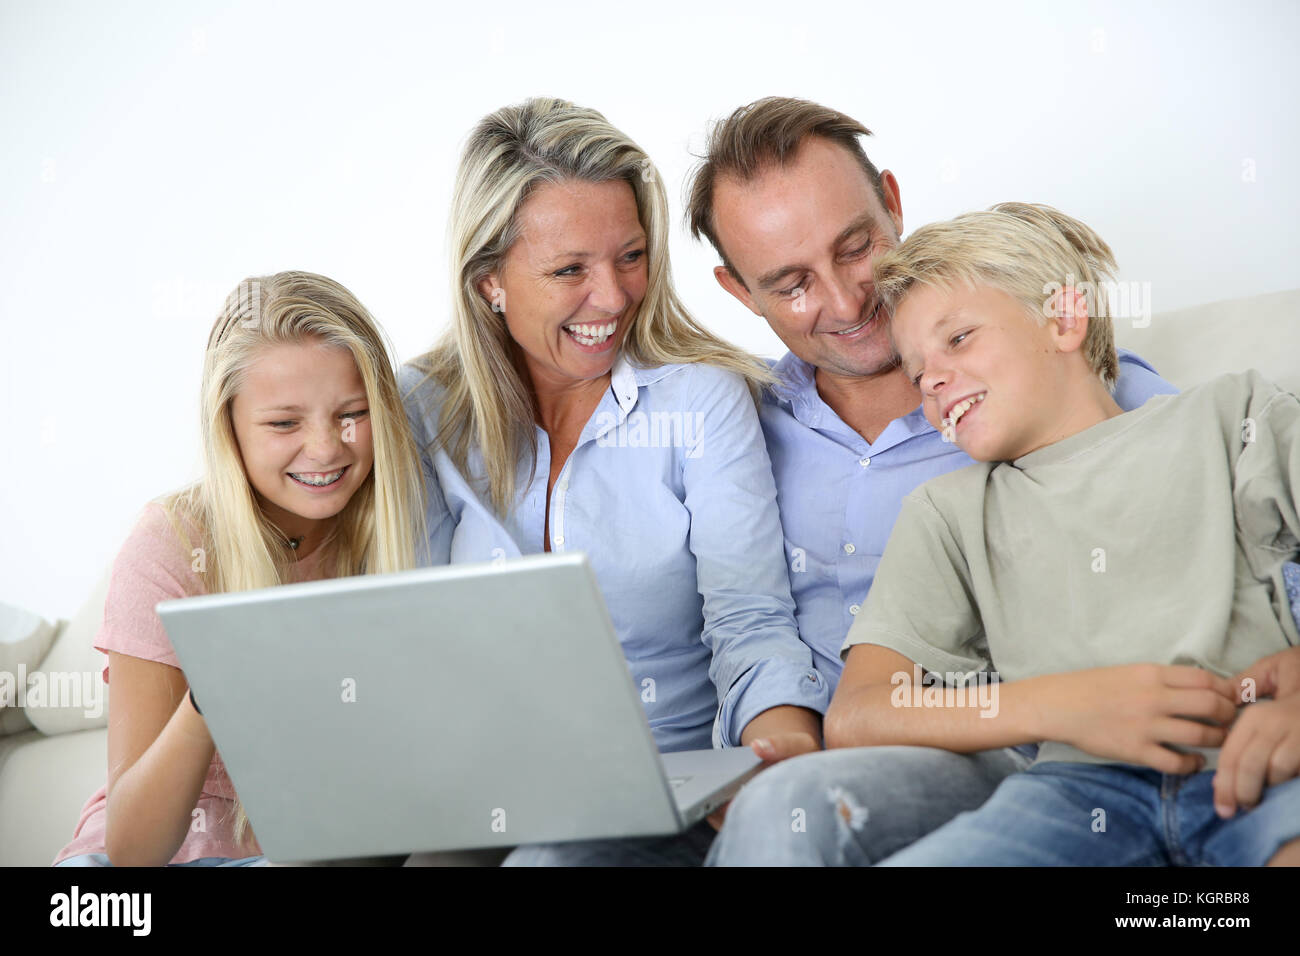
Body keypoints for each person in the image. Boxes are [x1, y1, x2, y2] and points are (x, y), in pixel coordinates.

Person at [686, 97, 1179, 866]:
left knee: (800, 806)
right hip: (822, 753)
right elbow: (743, 618)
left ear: (892, 201)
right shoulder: (730, 430)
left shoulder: (1036, 383)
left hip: (1019, 754)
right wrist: (774, 734)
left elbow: (1239, 535)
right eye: (791, 285)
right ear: (737, 290)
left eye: (856, 248)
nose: (849, 302)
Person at [400, 97, 830, 866]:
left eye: (630, 256)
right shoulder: (421, 409)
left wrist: (779, 743)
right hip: (478, 791)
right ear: (489, 281)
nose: (614, 295)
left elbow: (749, 620)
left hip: (660, 798)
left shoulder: (700, 399)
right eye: (569, 270)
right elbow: (403, 631)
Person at [841, 201, 1300, 866]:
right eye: (915, 371)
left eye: (959, 338)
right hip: (1069, 797)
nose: (931, 380)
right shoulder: (948, 512)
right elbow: (859, 713)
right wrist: (1058, 705)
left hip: (1260, 767)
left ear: (1062, 317)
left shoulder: (1233, 416)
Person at [54, 272, 426, 866]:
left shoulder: (409, 531)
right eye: (284, 424)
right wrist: (217, 688)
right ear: (228, 426)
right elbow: (130, 852)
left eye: (352, 414)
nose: (327, 447)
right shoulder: (170, 545)